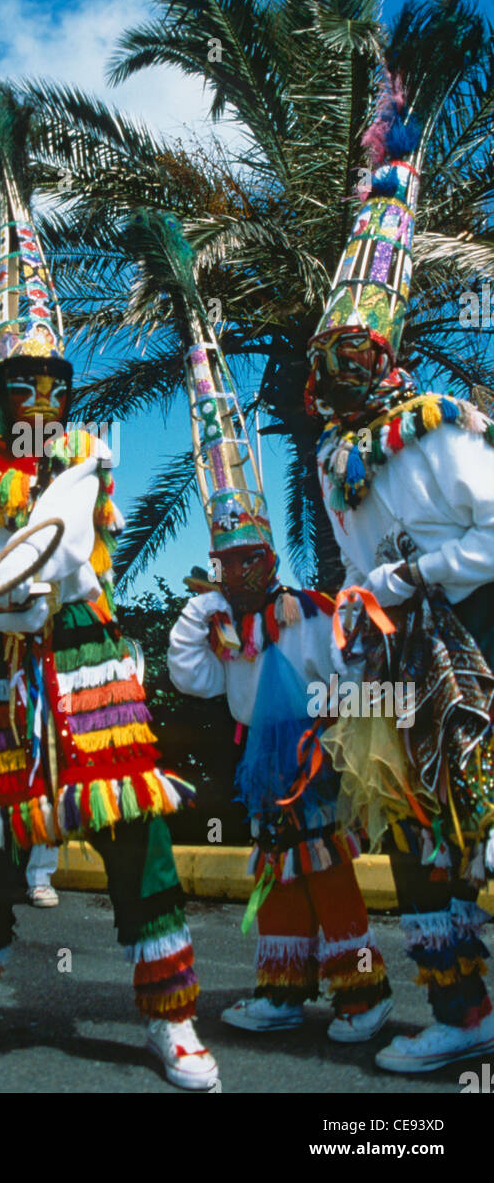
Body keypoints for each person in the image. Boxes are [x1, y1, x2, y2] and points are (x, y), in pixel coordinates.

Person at [0, 78, 215, 1089]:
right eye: (20, 387)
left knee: (134, 831)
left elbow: (91, 558)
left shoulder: (91, 456)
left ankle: (172, 1018)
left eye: (53, 387)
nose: (38, 401)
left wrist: (49, 565)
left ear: (66, 394)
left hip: (88, 667)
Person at [306, 70, 494, 1072]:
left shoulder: (440, 432)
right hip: (386, 660)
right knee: (411, 838)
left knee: (483, 825)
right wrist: (359, 598)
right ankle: (464, 1013)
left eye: (357, 351)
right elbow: (354, 565)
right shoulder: (337, 459)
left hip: (472, 649)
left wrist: (414, 574)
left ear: (388, 354)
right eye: (327, 354)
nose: (341, 370)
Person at [168, 498, 391, 1039]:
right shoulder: (225, 626)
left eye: (246, 559)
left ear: (267, 560)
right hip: (261, 769)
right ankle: (283, 990)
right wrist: (196, 613)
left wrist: (329, 733)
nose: (235, 572)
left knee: (324, 867)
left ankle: (364, 994)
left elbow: (350, 671)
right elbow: (193, 678)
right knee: (277, 872)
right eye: (225, 562)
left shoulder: (307, 611)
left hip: (309, 762)